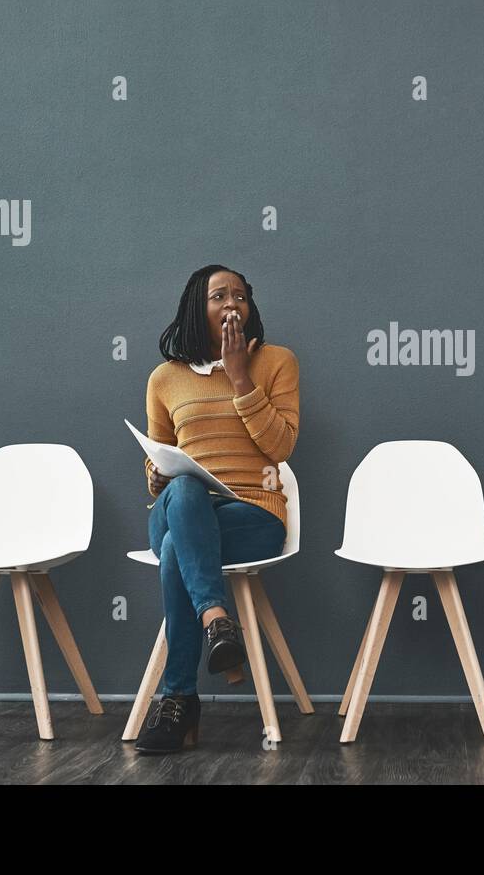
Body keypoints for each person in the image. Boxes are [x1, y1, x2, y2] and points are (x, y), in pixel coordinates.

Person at [135, 264, 299, 754]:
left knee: (173, 549)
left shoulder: (276, 362)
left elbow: (281, 446)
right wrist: (157, 474)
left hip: (254, 514)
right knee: (184, 492)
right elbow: (155, 458)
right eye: (219, 296)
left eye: (241, 297)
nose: (233, 305)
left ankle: (179, 700)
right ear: (195, 309)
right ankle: (217, 621)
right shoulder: (164, 378)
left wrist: (240, 377)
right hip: (179, 507)